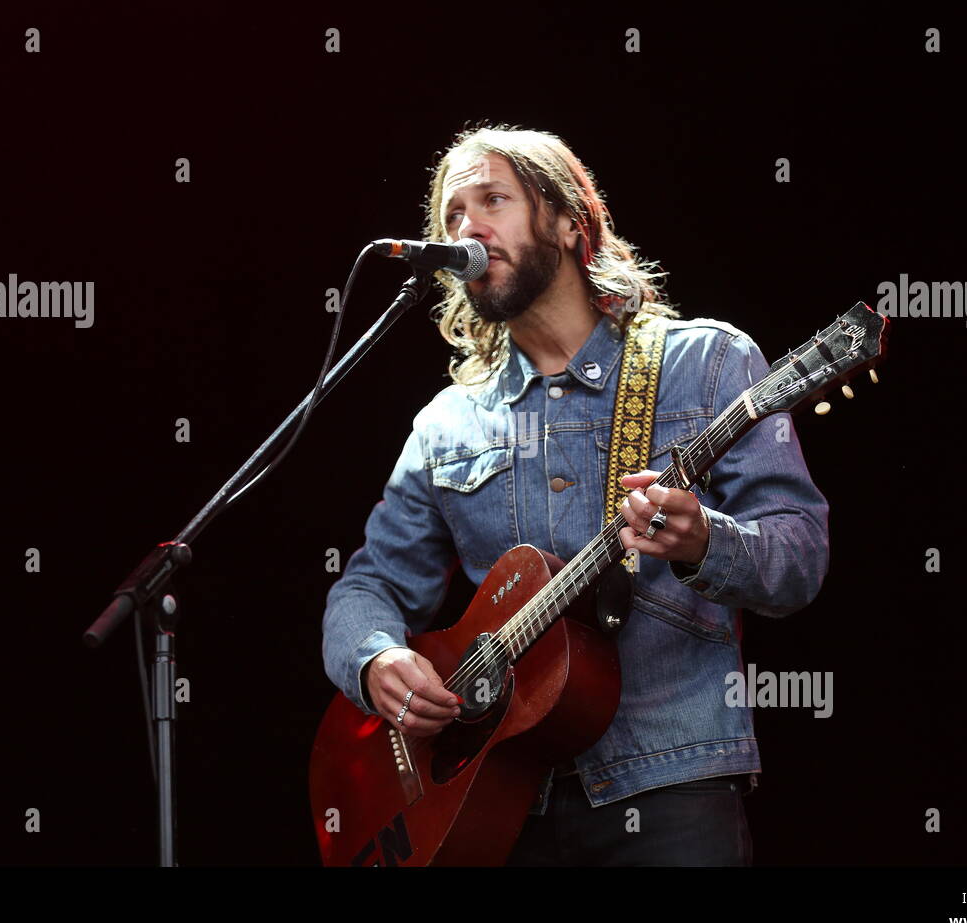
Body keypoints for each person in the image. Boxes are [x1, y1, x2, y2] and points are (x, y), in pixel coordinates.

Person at [321, 125, 829, 866]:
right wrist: (374, 661)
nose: (467, 228)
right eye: (452, 215)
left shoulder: (708, 363)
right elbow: (365, 586)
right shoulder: (446, 425)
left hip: (668, 789)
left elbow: (801, 556)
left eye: (491, 199)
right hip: (497, 809)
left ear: (568, 220)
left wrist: (704, 541)